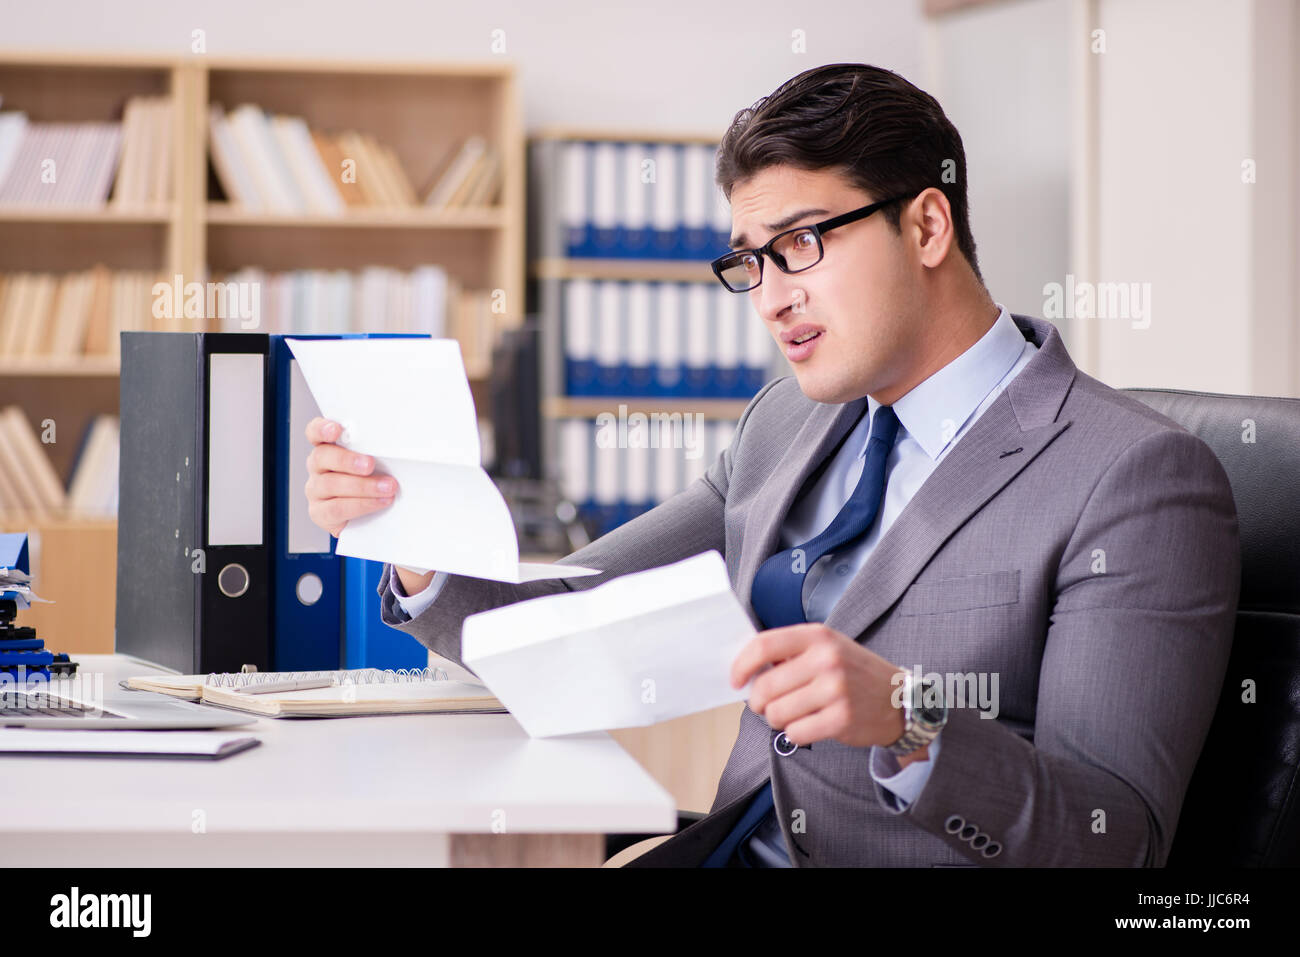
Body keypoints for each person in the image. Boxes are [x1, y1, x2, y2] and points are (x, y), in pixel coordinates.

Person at [303, 63, 1240, 867]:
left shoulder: (1136, 478)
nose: (772, 298)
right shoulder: (787, 422)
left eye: (802, 244)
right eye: (752, 261)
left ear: (925, 228)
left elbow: (1118, 838)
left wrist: (907, 720)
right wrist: (416, 534)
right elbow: (572, 614)